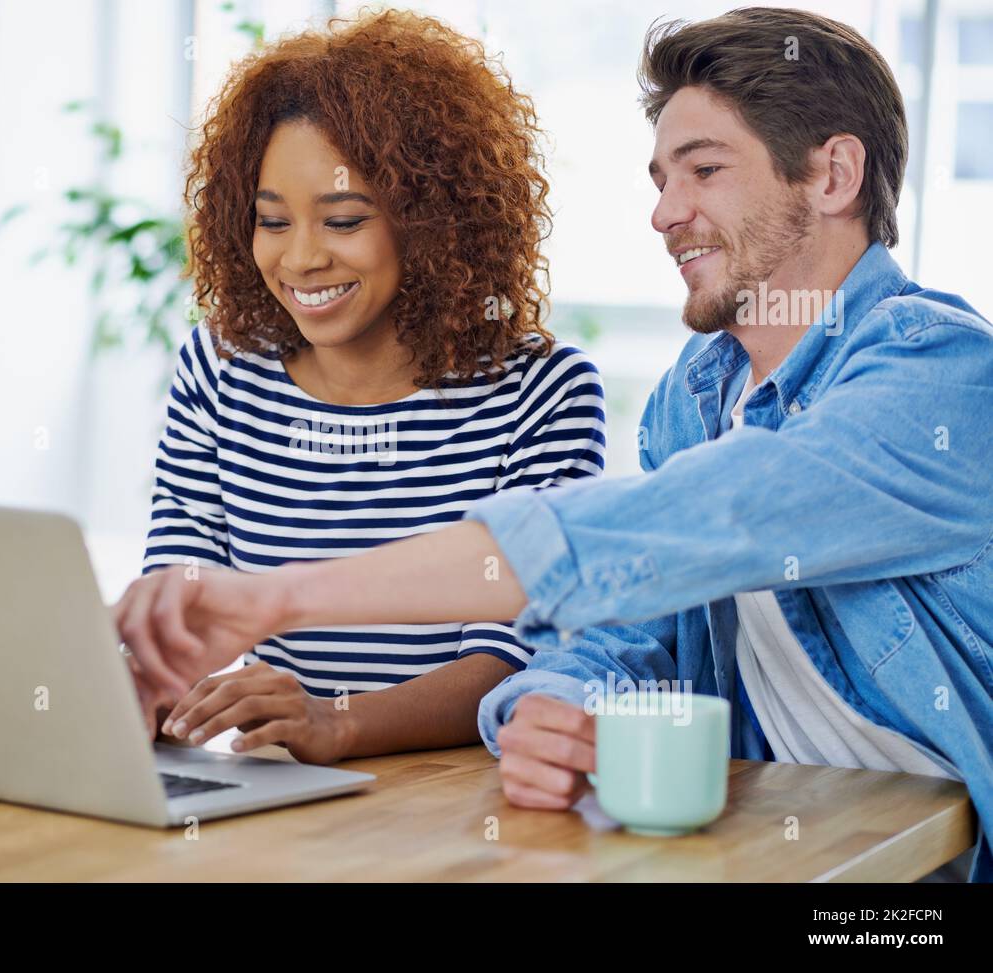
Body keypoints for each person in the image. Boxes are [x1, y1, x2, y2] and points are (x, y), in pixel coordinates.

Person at [120, 7, 993, 882]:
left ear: (834, 173)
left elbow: (695, 519)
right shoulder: (694, 400)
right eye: (660, 177)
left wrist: (277, 598)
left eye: (705, 171)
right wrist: (555, 704)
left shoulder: (940, 370)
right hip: (783, 854)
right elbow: (619, 634)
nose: (663, 212)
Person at [115, 9, 604, 764]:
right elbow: (183, 575)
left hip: (457, 799)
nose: (301, 259)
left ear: (432, 221)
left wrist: (338, 721)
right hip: (285, 787)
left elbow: (512, 656)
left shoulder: (542, 391)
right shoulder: (219, 371)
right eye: (272, 221)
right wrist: (152, 679)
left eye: (341, 220)